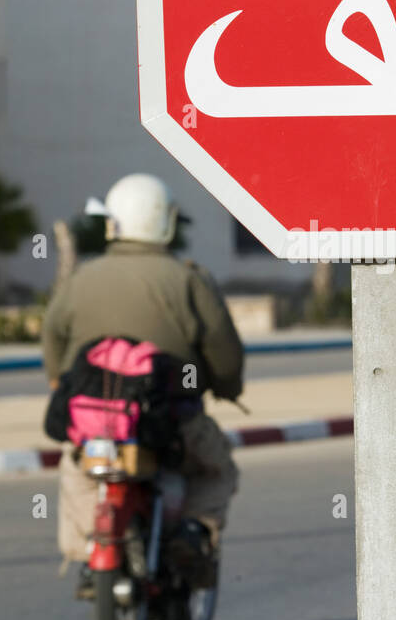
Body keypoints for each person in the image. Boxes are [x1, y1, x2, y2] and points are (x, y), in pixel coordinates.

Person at [42, 173, 244, 595]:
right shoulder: (189, 279)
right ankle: (191, 531)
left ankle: (87, 555)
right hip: (169, 421)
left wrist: (62, 382)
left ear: (113, 223)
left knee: (75, 469)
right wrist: (226, 386)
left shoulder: (82, 279)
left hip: (97, 426)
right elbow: (222, 348)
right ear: (166, 223)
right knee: (217, 468)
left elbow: (53, 335)